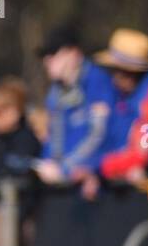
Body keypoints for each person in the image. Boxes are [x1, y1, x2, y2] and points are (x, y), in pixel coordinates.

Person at [34, 26, 113, 195]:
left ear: (74, 53)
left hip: (98, 186)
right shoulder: (55, 93)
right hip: (64, 186)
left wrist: (64, 169)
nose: (47, 61)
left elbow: (99, 135)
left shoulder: (97, 81)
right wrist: (47, 164)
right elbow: (54, 136)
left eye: (54, 54)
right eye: (45, 56)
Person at [95, 28, 148, 182]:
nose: (114, 77)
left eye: (119, 71)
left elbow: (144, 152)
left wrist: (100, 166)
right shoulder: (122, 96)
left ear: (133, 73)